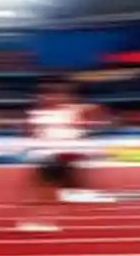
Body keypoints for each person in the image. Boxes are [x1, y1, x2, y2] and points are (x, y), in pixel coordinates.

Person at [16, 79, 108, 232]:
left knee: (69, 190)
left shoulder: (72, 110)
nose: (51, 99)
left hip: (68, 156)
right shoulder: (39, 114)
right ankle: (35, 219)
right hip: (49, 156)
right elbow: (31, 132)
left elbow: (95, 110)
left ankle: (46, 217)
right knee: (41, 189)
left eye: (58, 95)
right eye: (47, 96)